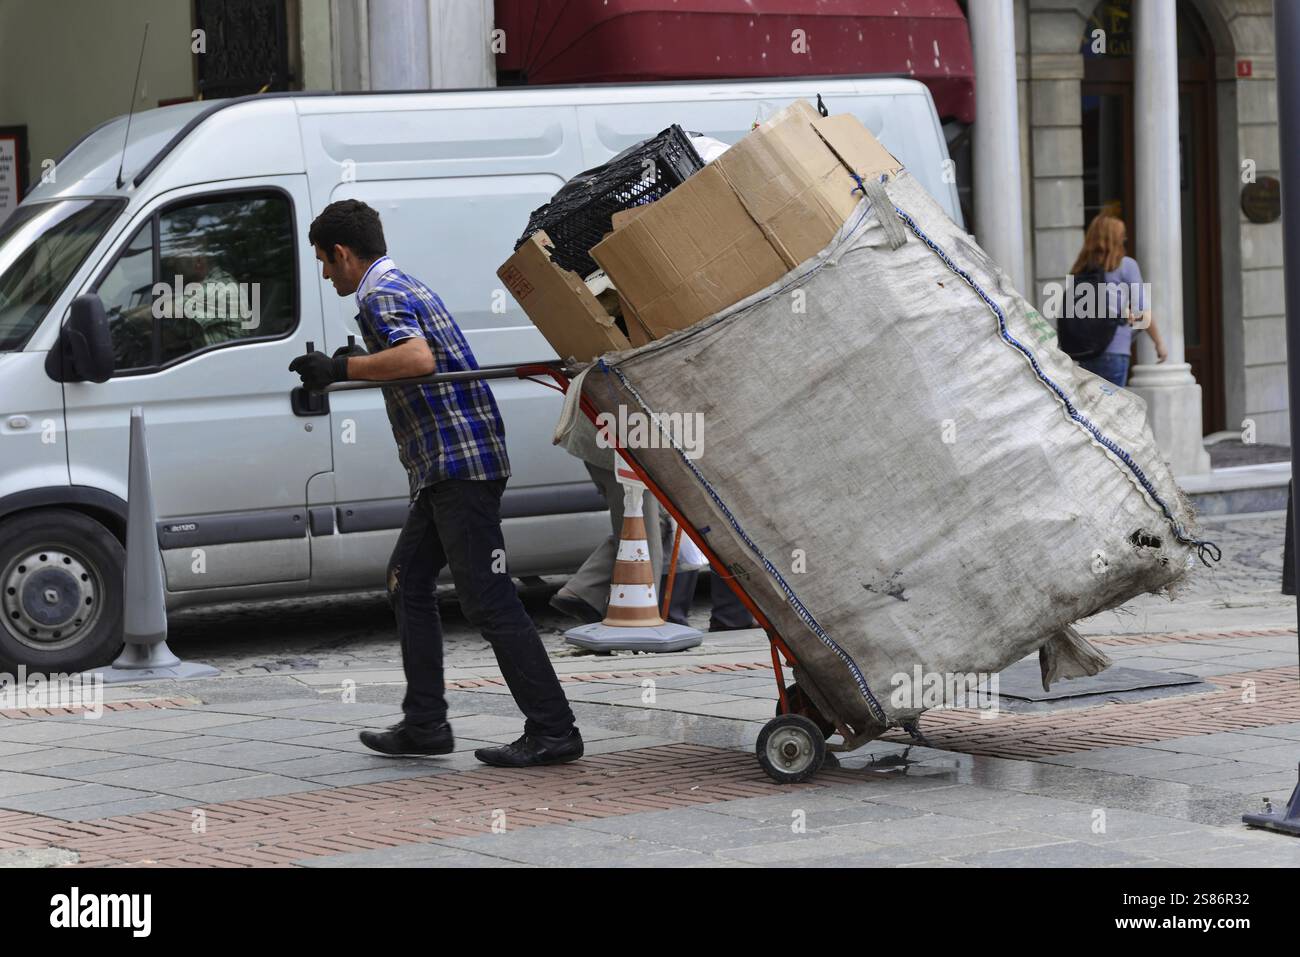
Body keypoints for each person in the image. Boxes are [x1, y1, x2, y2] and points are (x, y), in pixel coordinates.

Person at [290, 199, 583, 768]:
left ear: (342, 253)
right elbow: (412, 355)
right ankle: (425, 723)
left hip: (458, 464)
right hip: (447, 464)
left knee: (489, 600)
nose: (325, 274)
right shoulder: (398, 283)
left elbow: (418, 359)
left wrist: (341, 370)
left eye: (324, 262)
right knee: (408, 581)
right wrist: (358, 360)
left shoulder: (379, 294)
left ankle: (553, 730)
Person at [1068, 213, 1167, 387]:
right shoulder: (1126, 265)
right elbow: (1142, 312)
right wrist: (1159, 343)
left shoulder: (1080, 269)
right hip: (1114, 351)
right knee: (1112, 410)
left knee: (1092, 412)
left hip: (1085, 353)